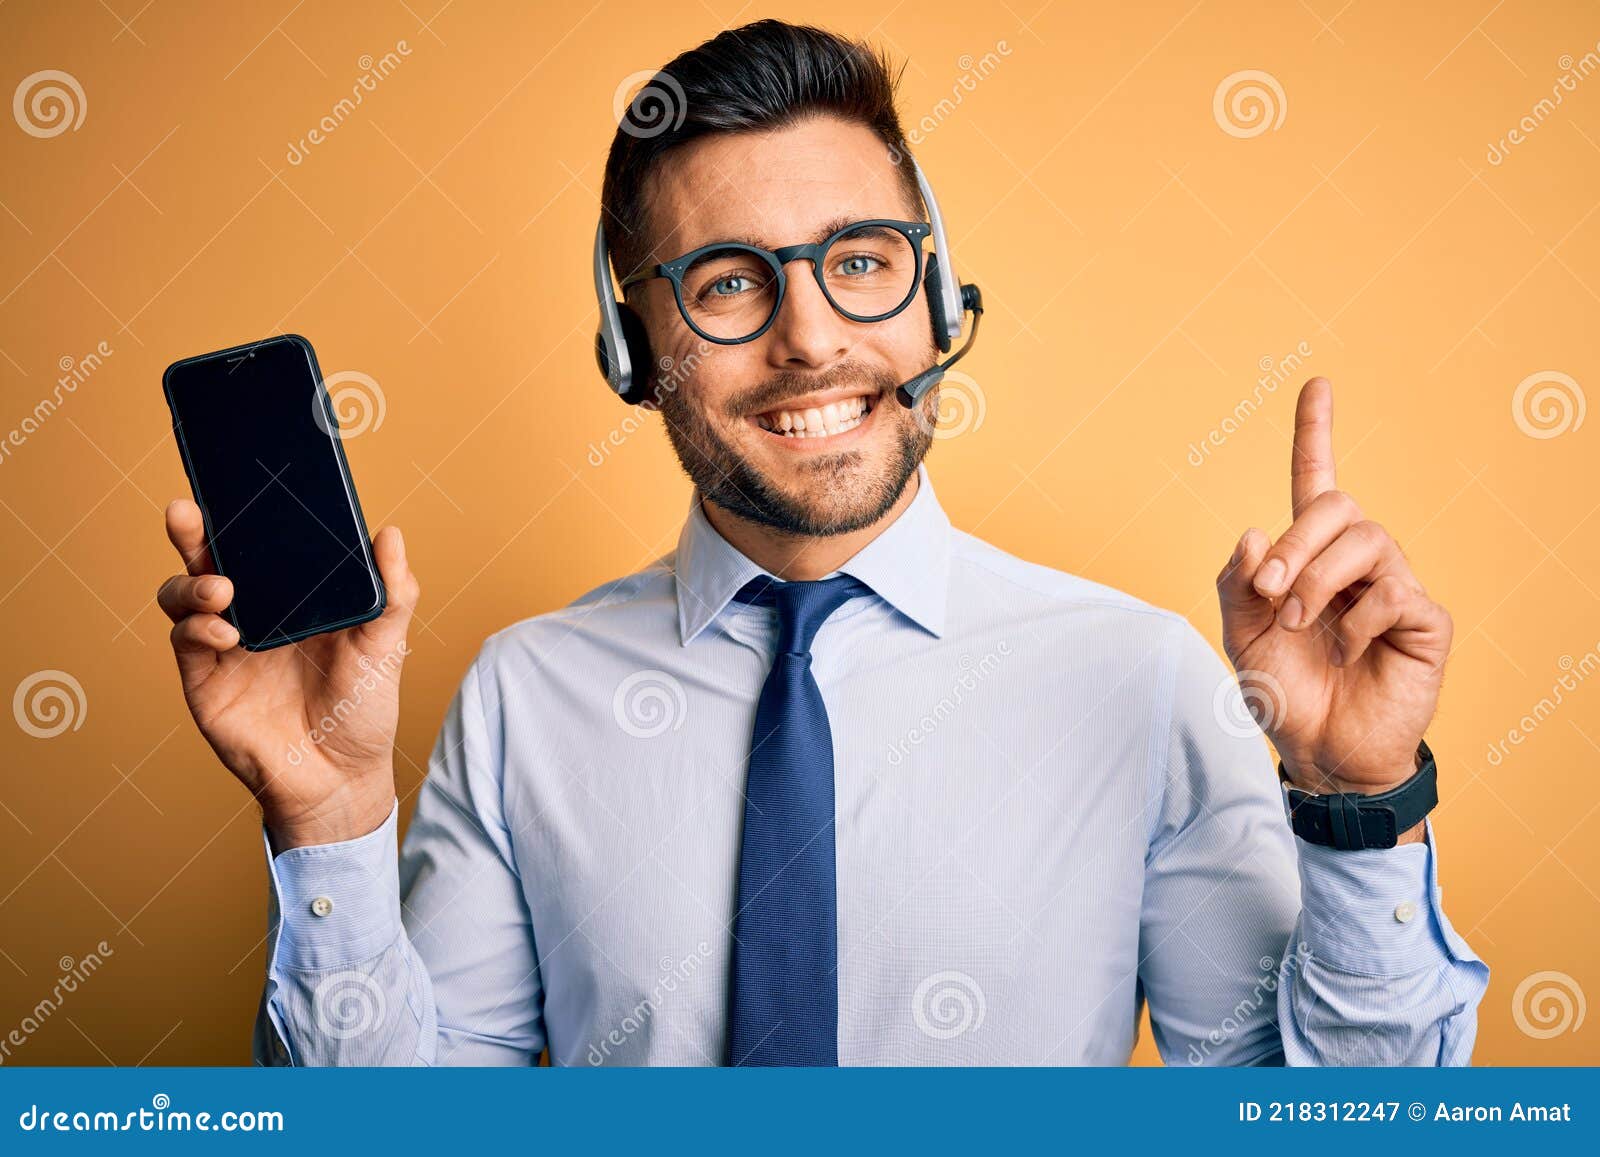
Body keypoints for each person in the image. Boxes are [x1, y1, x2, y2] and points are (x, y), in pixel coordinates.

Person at [155, 19, 1485, 1066]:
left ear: (937, 293)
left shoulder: (1145, 679)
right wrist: (325, 819)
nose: (811, 338)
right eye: (729, 282)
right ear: (632, 347)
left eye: (861, 259)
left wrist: (1358, 805)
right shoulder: (522, 698)